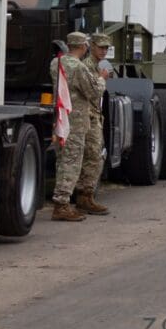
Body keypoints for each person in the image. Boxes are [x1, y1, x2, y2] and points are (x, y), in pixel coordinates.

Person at [49, 32, 107, 221]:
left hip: (62, 119)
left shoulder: (56, 63)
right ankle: (62, 204)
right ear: (83, 47)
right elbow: (94, 91)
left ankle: (66, 200)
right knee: (72, 162)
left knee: (63, 160)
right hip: (76, 120)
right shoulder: (78, 67)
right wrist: (101, 78)